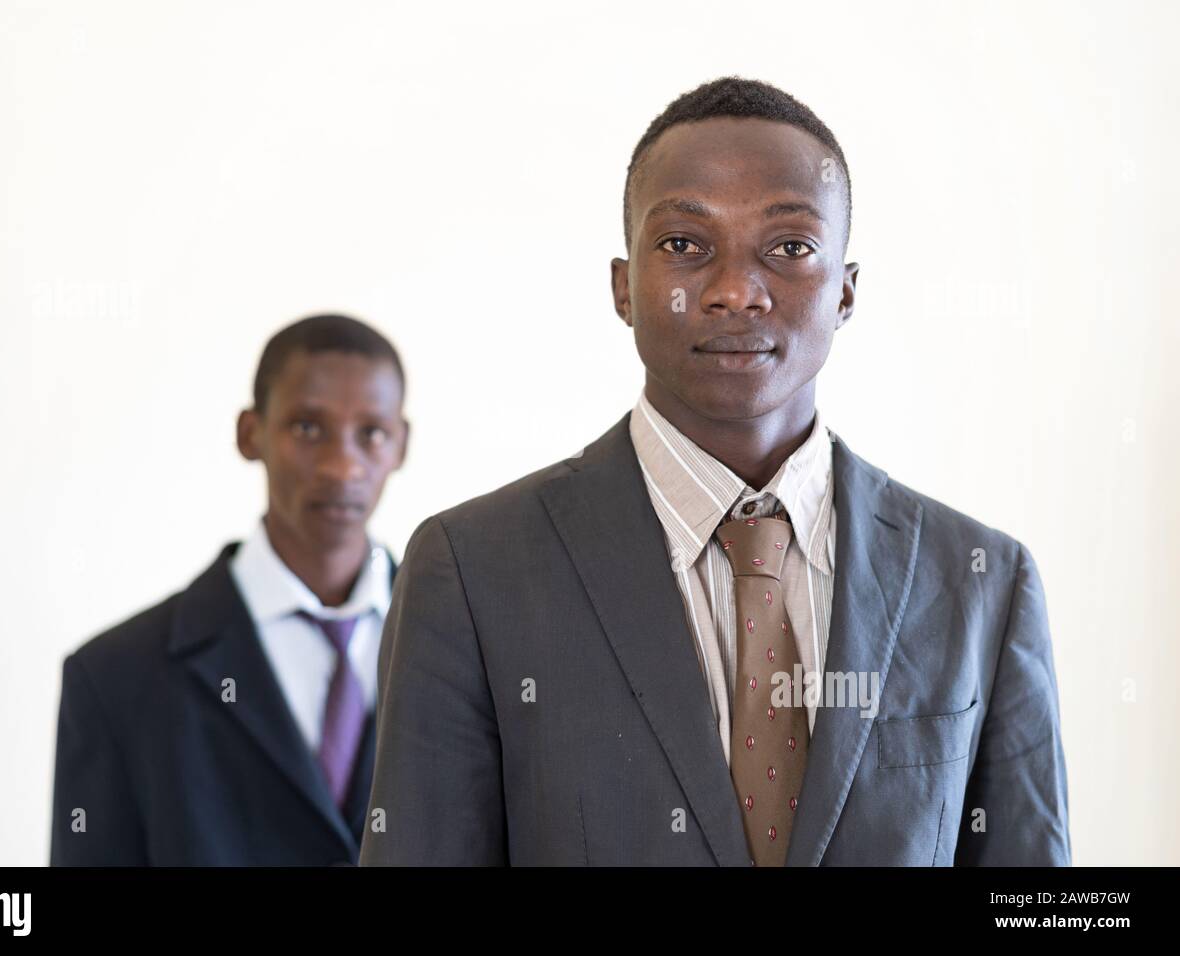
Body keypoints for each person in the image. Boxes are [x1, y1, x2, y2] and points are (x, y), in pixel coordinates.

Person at [359, 78, 1070, 866]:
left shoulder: (980, 581)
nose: (736, 290)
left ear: (845, 291)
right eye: (684, 246)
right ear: (625, 288)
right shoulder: (473, 570)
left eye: (790, 248)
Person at [51, 314, 409, 865]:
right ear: (251, 433)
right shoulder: (115, 676)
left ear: (401, 445)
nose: (342, 467)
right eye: (308, 428)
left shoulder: (473, 651)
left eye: (372, 433)